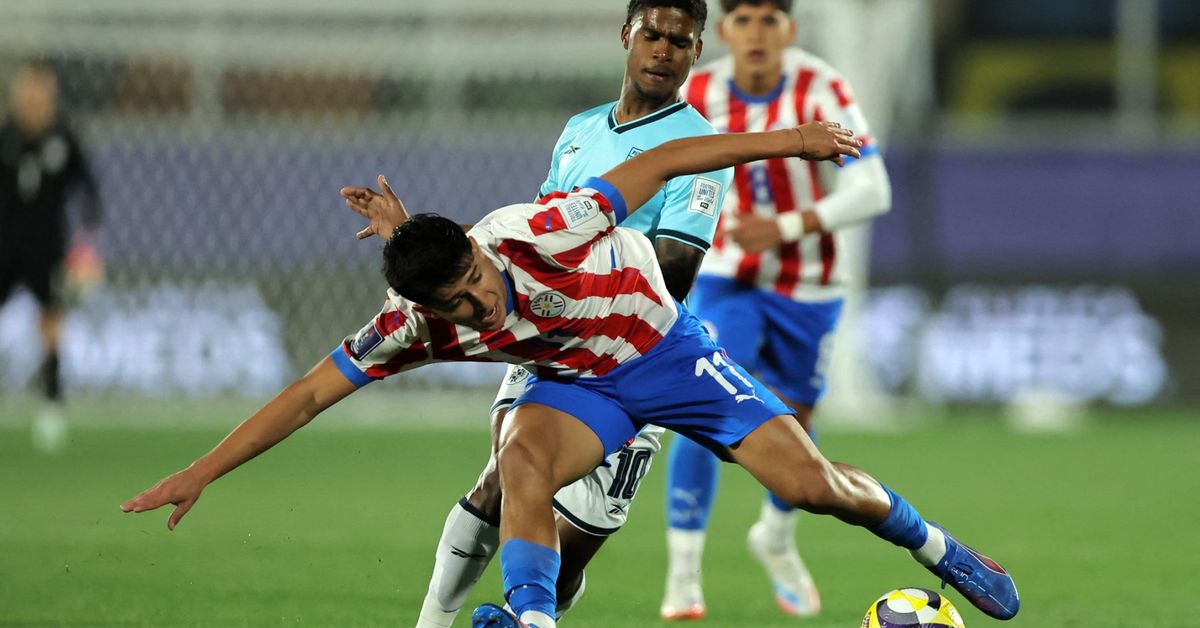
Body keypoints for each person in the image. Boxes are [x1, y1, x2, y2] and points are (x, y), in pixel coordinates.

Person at [121, 122, 1020, 628]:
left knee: (814, 487)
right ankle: (532, 621)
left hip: (671, 355)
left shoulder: (544, 228)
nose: (478, 305)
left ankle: (937, 547)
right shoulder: (414, 324)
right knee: (520, 453)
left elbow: (663, 162)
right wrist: (202, 470)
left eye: (474, 279)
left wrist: (794, 142)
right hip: (580, 391)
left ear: (479, 245)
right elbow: (311, 391)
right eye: (457, 302)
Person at [341, 1, 730, 625]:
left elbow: (675, 271)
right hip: (548, 342)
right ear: (626, 35)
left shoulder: (698, 147)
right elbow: (523, 241)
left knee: (574, 550)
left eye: (679, 42)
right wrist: (413, 235)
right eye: (651, 34)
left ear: (697, 52)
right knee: (500, 481)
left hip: (632, 352)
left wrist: (584, 269)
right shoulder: (579, 129)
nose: (663, 50)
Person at [660, 0, 895, 618]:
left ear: (790, 29)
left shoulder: (821, 86)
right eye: (743, 19)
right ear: (725, 31)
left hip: (809, 281)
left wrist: (789, 226)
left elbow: (874, 187)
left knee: (798, 414)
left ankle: (776, 537)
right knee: (703, 400)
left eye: (771, 19)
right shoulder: (697, 91)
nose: (757, 33)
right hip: (723, 275)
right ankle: (683, 570)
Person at [0, 60, 104, 453]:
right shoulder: (5, 138)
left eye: (42, 94)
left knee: (51, 324)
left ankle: (51, 404)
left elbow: (90, 195)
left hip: (48, 249)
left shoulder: (64, 139)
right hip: (5, 247)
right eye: (28, 93)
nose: (34, 102)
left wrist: (85, 246)